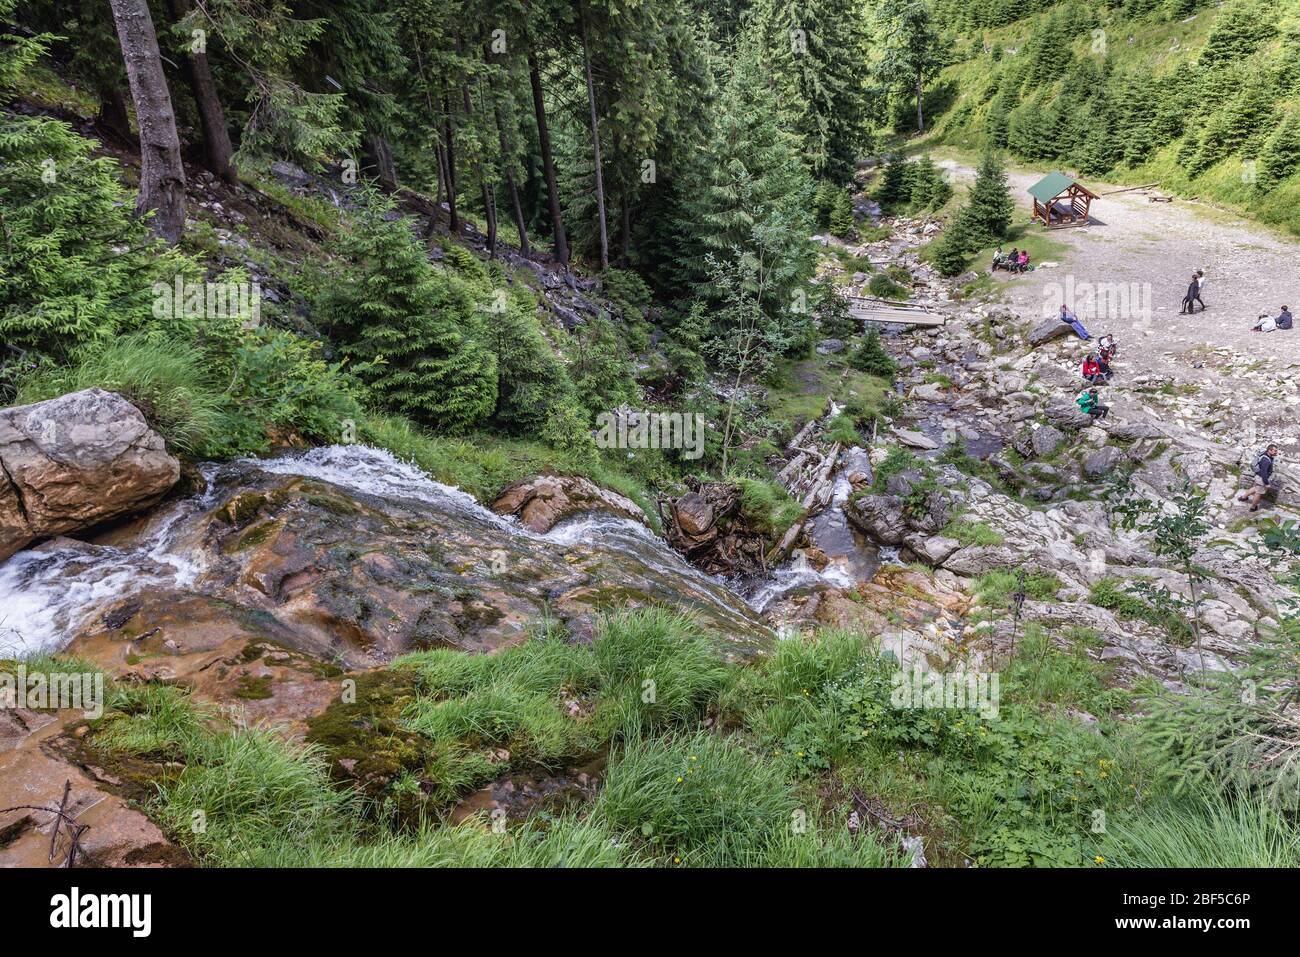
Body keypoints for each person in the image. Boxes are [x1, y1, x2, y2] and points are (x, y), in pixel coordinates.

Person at [1237, 444, 1279, 512]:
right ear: (1269, 450)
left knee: (1255, 488)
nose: (1276, 453)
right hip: (1261, 479)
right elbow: (1264, 473)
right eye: (1275, 451)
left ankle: (1243, 497)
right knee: (1258, 493)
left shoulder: (1265, 454)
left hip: (1257, 477)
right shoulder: (1266, 460)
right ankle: (1253, 507)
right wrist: (1266, 483)